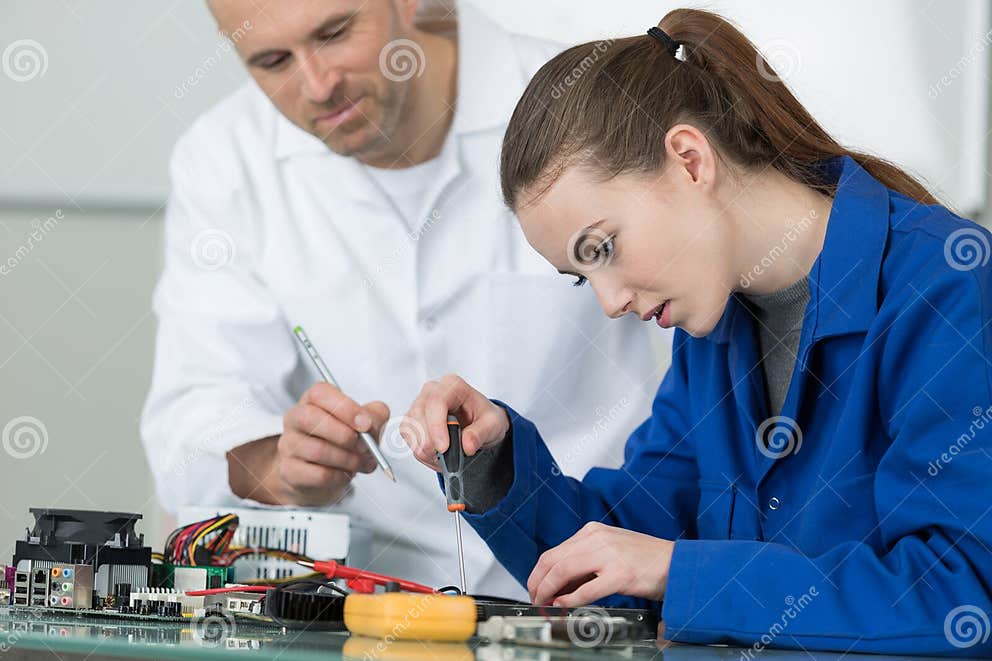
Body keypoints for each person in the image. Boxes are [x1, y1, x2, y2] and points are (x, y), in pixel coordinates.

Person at [400, 8, 992, 655]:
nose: (609, 302)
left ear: (688, 160)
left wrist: (680, 571)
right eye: (580, 276)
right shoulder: (713, 330)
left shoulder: (948, 286)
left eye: (601, 248)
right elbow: (625, 559)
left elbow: (960, 596)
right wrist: (495, 465)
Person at [140, 0, 666, 598]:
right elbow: (190, 416)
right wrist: (281, 464)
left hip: (598, 581)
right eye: (272, 59)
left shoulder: (580, 103)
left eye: (336, 33)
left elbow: (708, 326)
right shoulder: (224, 160)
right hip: (374, 604)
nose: (317, 85)